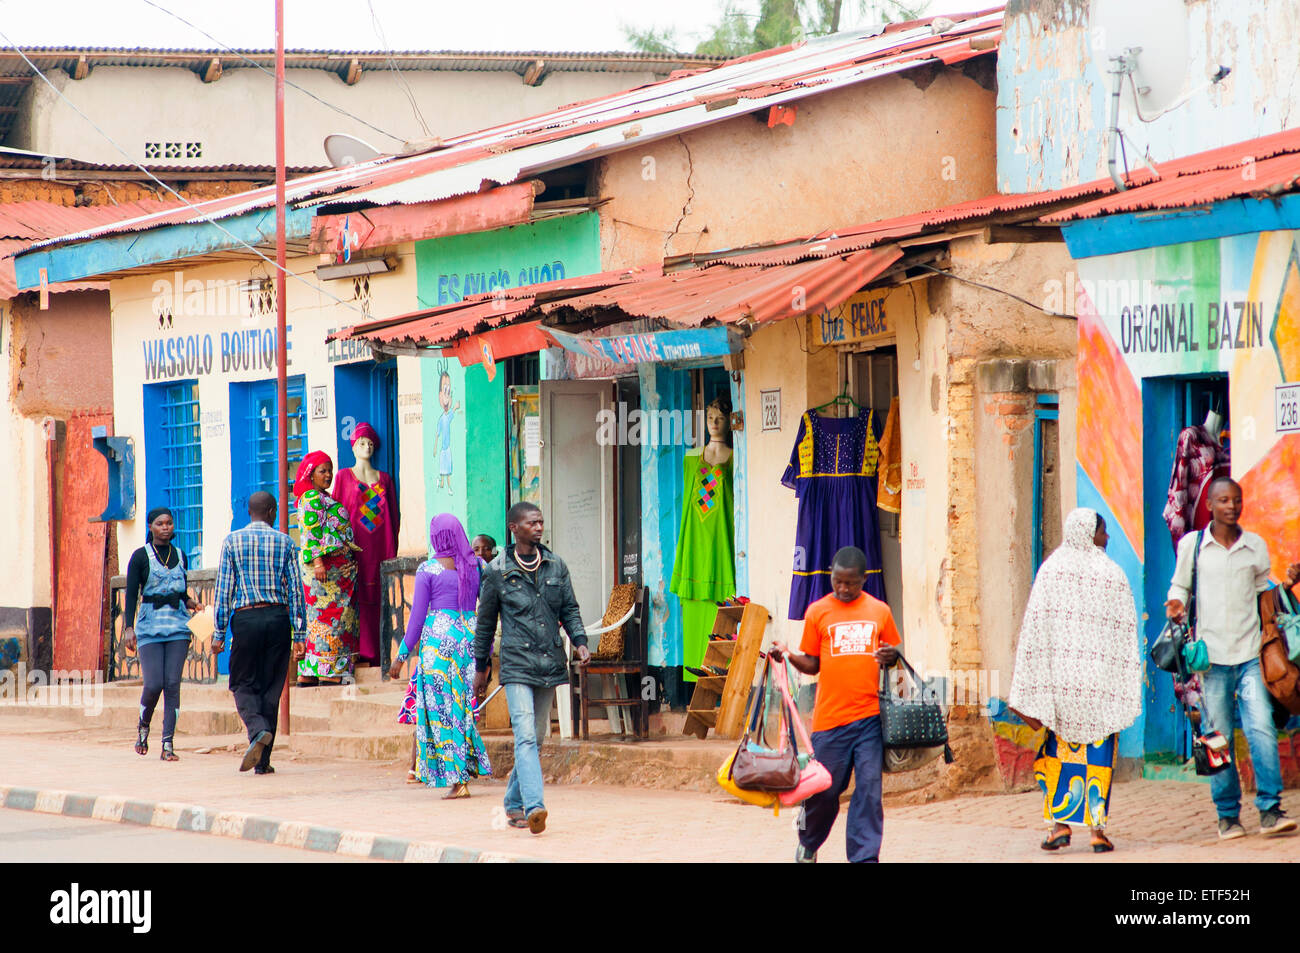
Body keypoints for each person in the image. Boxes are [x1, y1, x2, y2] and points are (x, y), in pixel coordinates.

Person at [1166, 476, 1300, 839]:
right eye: (1224, 500)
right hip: (1211, 662)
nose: (1231, 506)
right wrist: (1176, 602)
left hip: (1250, 656)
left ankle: (1271, 809)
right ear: (1210, 504)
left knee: (1260, 728)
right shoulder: (1193, 546)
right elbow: (1181, 585)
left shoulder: (1255, 547)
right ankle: (1228, 816)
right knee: (1219, 738)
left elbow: (1264, 598)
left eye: (1236, 500)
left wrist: (1285, 586)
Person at [1007, 508, 1142, 853]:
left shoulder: (1050, 570)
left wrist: (1033, 681)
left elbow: (1035, 629)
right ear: (1089, 533)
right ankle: (1097, 833)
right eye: (1103, 531)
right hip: (1098, 684)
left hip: (1062, 685)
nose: (1107, 538)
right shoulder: (1111, 574)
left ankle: (1059, 828)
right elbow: (1124, 633)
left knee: (1058, 755)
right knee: (1099, 757)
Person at [770, 545, 900, 864]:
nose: (843, 588)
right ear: (831, 576)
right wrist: (787, 655)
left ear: (863, 580)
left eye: (850, 583)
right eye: (837, 581)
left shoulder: (879, 611)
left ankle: (864, 857)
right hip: (830, 722)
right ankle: (809, 842)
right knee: (825, 791)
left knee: (869, 791)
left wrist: (892, 657)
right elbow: (813, 664)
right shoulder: (817, 611)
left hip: (869, 719)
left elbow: (892, 654)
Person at [473, 502, 589, 834]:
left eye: (540, 522)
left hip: (550, 661)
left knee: (536, 739)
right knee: (524, 736)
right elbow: (484, 626)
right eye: (531, 523)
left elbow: (569, 608)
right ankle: (535, 806)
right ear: (514, 528)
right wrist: (481, 670)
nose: (538, 527)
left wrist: (580, 642)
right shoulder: (496, 571)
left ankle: (512, 803)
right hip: (517, 663)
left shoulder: (556, 566)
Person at [390, 514, 491, 797]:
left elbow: (417, 620)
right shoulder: (478, 566)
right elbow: (488, 609)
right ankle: (465, 772)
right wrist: (487, 650)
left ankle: (457, 778)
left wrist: (401, 656)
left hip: (438, 647)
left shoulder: (428, 570)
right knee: (463, 709)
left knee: (441, 713)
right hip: (469, 644)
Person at [213, 491, 308, 774]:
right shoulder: (286, 543)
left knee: (242, 683)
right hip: (278, 618)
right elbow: (296, 592)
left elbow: (224, 591)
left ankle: (256, 730)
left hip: (246, 618)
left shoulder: (232, 541)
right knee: (271, 687)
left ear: (250, 512)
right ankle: (263, 762)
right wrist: (300, 636)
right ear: (271, 512)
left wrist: (218, 632)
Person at [122, 506, 202, 762]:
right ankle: (144, 725)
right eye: (160, 523)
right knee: (154, 683)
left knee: (172, 685)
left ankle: (168, 743)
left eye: (169, 523)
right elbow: (133, 594)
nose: (165, 527)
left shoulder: (181, 555)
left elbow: (180, 592)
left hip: (178, 627)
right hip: (149, 628)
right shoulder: (140, 557)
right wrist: (128, 627)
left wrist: (193, 605)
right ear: (150, 527)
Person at [332, 422, 399, 668]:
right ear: (353, 447)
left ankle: (380, 650)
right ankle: (357, 650)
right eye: (362, 443)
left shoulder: (385, 479)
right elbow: (337, 514)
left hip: (380, 545)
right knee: (355, 594)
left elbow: (394, 514)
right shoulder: (342, 477)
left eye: (370, 443)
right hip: (353, 546)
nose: (367, 447)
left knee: (378, 593)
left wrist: (393, 546)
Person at [293, 451, 361, 686]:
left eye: (330, 470)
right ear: (310, 474)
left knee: (319, 620)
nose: (329, 475)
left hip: (335, 572)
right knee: (330, 620)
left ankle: (310, 672)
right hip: (326, 573)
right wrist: (319, 562)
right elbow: (312, 532)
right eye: (323, 470)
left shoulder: (320, 497)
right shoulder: (312, 497)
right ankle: (330, 672)